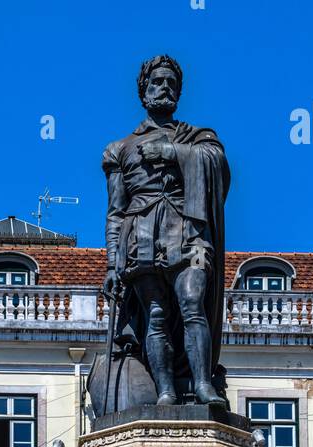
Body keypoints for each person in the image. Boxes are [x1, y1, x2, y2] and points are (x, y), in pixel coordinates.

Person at [101, 54, 230, 408]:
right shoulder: (119, 149)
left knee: (193, 302)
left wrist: (173, 152)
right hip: (140, 236)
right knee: (155, 314)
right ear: (144, 92)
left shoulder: (198, 139)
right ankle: (165, 391)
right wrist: (112, 265)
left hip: (190, 232)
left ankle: (203, 385)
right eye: (157, 83)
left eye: (171, 83)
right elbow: (115, 212)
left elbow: (218, 165)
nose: (165, 89)